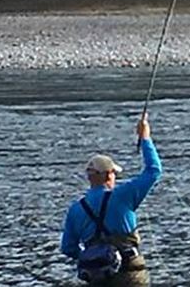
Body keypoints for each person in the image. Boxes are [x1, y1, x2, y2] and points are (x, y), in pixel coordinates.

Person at [61, 112, 162, 286]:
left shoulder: (75, 209)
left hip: (97, 278)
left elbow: (68, 248)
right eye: (115, 173)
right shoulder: (123, 195)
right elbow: (154, 171)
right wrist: (145, 137)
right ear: (109, 175)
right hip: (130, 275)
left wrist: (93, 256)